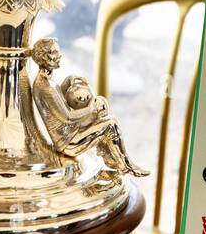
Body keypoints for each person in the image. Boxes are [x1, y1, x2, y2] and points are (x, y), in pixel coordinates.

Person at [30, 37, 148, 176]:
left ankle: (112, 157)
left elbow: (58, 100)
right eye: (55, 52)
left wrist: (69, 80)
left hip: (71, 132)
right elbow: (68, 116)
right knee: (110, 123)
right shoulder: (45, 86)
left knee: (102, 109)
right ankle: (125, 165)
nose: (59, 55)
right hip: (68, 142)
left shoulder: (46, 79)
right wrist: (90, 108)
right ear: (44, 57)